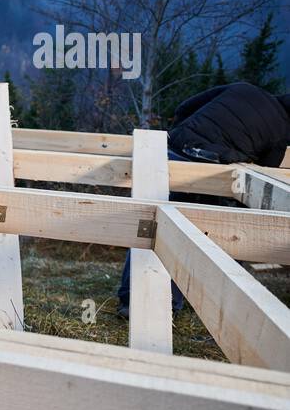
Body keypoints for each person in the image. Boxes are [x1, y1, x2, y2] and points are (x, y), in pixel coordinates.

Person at [117, 82, 290, 317]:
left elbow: (185, 106)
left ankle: (130, 301)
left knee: (149, 225)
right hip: (210, 170)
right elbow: (261, 176)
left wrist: (181, 136)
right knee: (190, 238)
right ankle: (166, 307)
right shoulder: (281, 130)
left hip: (173, 153)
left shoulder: (243, 88)